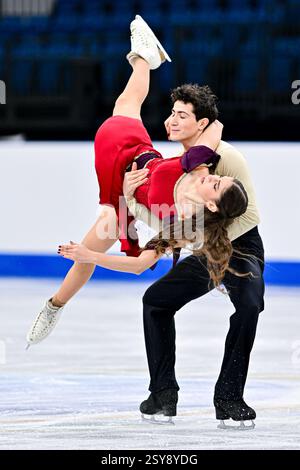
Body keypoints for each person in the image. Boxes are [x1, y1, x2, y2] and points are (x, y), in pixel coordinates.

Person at [26, 16, 248, 350]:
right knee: (125, 106)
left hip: (121, 195)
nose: (215, 177)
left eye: (218, 185)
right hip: (135, 149)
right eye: (221, 176)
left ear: (212, 205)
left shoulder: (184, 225)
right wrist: (187, 122)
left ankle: (53, 306)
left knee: (90, 250)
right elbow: (215, 126)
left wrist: (105, 235)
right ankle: (144, 56)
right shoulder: (198, 166)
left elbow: (140, 266)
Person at [123, 78, 264, 429]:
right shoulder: (175, 166)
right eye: (171, 113)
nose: (171, 121)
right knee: (156, 301)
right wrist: (130, 200)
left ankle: (229, 396)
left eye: (181, 115)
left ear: (201, 125)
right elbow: (164, 219)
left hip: (242, 244)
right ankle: (163, 394)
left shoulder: (227, 158)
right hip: (202, 245)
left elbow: (249, 214)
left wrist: (205, 244)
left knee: (249, 305)